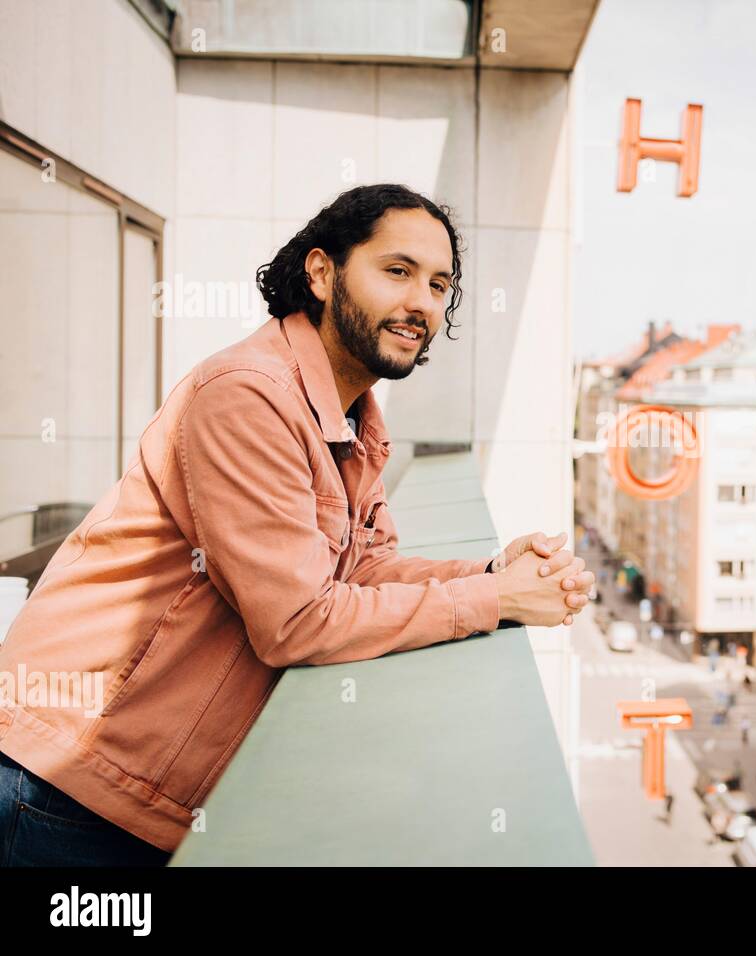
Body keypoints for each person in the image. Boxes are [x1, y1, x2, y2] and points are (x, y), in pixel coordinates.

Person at [0, 184, 596, 867]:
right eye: (397, 271)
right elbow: (297, 620)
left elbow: (361, 572)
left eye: (439, 285)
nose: (422, 304)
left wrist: (491, 573)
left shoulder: (353, 416)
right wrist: (498, 601)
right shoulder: (248, 396)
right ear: (321, 272)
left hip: (135, 790)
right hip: (63, 778)